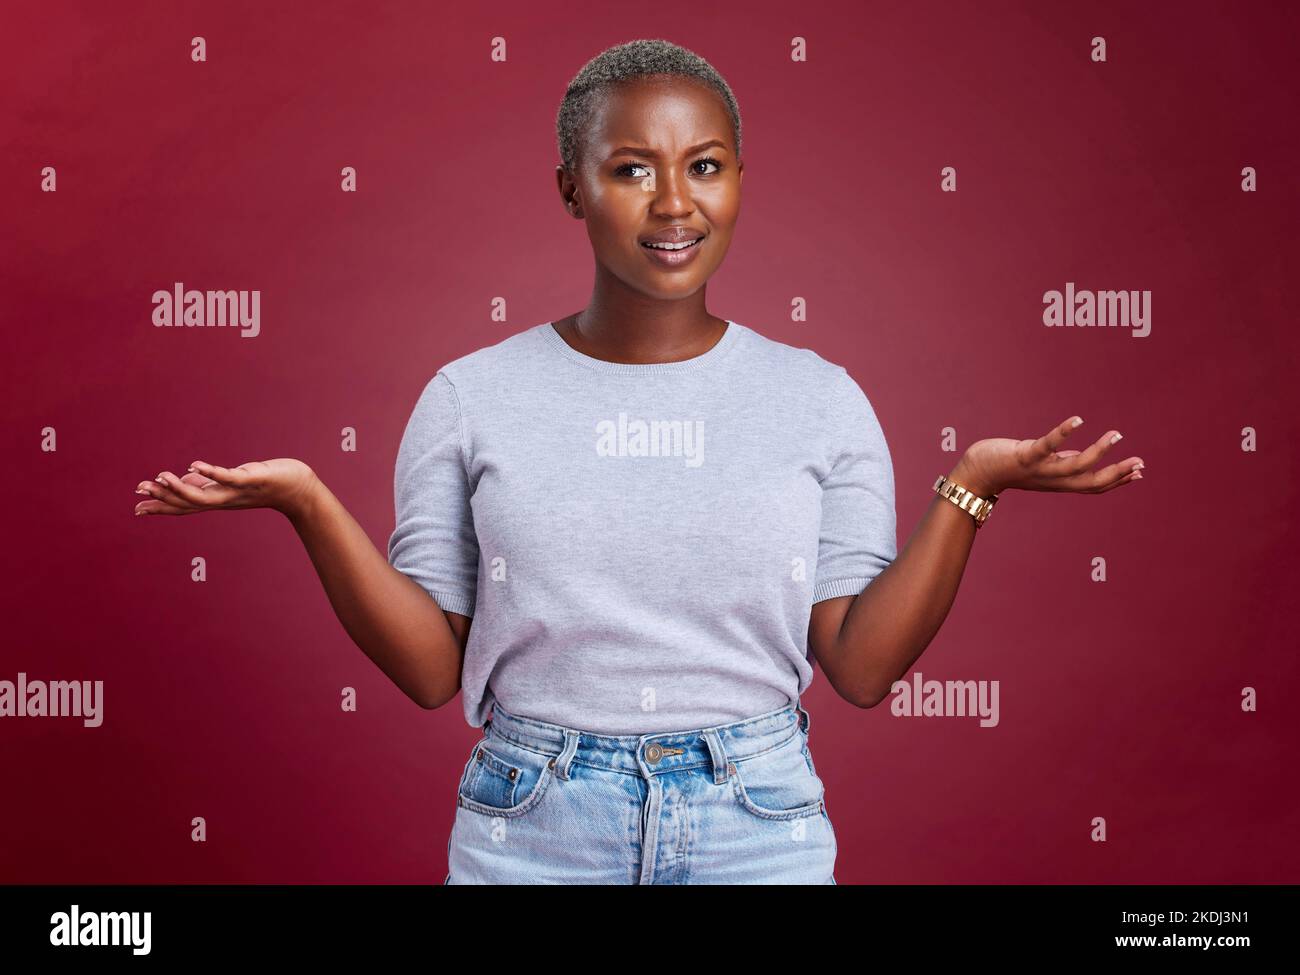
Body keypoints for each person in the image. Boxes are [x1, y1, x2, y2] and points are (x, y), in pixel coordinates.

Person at [132, 39, 1144, 884]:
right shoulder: (468, 398)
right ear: (572, 188)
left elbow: (863, 668)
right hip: (531, 824)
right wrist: (308, 503)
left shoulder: (821, 399)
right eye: (630, 168)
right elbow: (433, 672)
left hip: (757, 820)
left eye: (703, 164)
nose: (673, 202)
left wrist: (974, 486)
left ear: (740, 180)